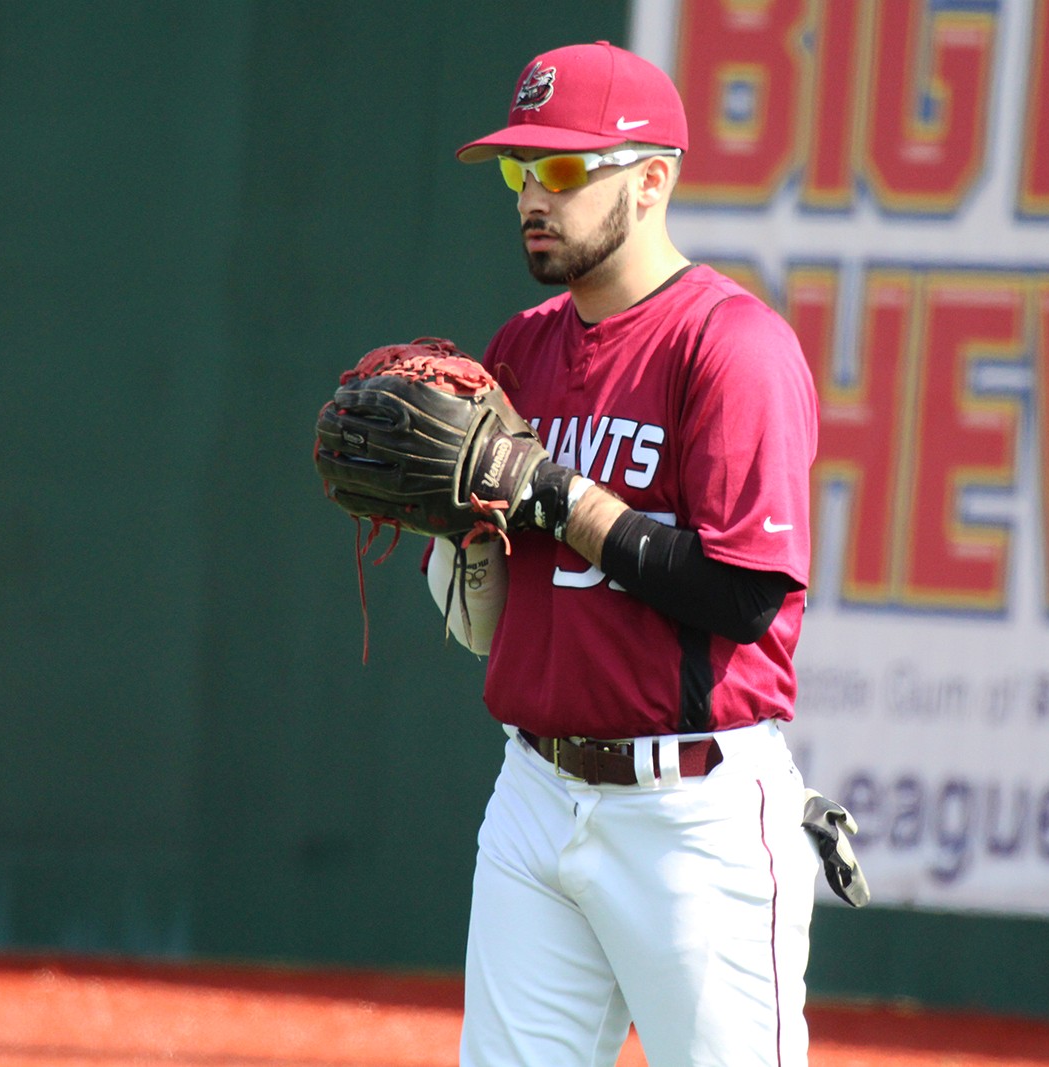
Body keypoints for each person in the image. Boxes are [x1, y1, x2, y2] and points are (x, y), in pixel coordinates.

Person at [433, 40, 823, 1066]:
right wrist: (458, 532)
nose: (532, 195)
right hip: (534, 788)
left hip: (688, 813)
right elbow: (487, 620)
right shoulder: (519, 345)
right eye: (523, 170)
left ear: (653, 180)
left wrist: (560, 497)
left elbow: (742, 597)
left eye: (562, 170)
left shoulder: (730, 345)